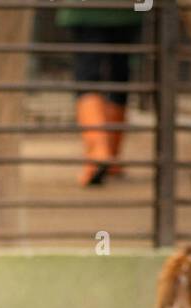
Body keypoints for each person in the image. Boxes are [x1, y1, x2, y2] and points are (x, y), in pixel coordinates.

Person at [57, 4, 145, 186]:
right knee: (120, 75)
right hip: (126, 11)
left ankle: (98, 152)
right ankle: (111, 154)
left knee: (87, 76)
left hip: (85, 11)